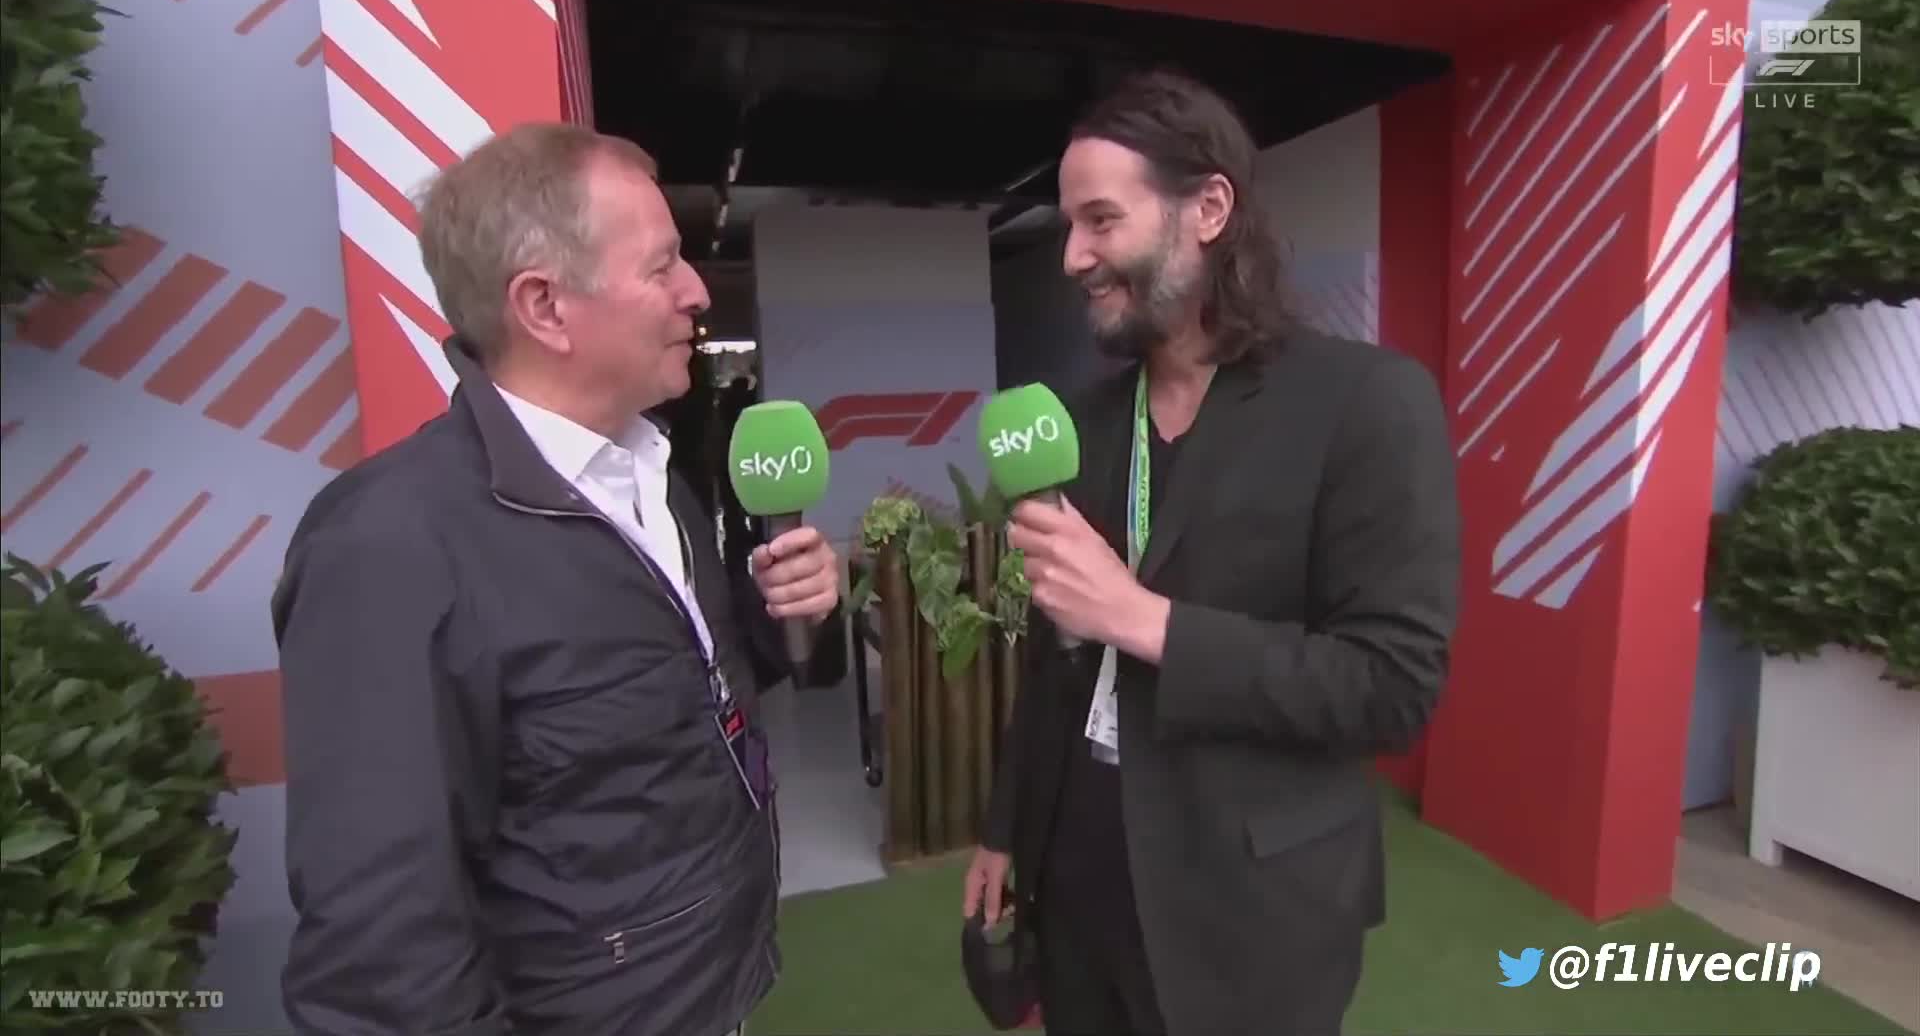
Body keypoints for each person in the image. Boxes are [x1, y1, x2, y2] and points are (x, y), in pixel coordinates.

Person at [271, 123, 842, 1036]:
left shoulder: (653, 474)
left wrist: (779, 620)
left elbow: (666, 693)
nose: (698, 291)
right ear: (544, 306)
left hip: (711, 993)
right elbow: (383, 959)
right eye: (662, 267)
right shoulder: (387, 549)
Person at [962, 70, 1461, 1035]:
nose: (1073, 256)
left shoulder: (1365, 404)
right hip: (1077, 879)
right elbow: (1055, 661)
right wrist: (1005, 833)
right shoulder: (1084, 422)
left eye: (1101, 220)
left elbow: (1391, 686)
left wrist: (1143, 620)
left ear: (1208, 209)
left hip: (1249, 906)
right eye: (1069, 226)